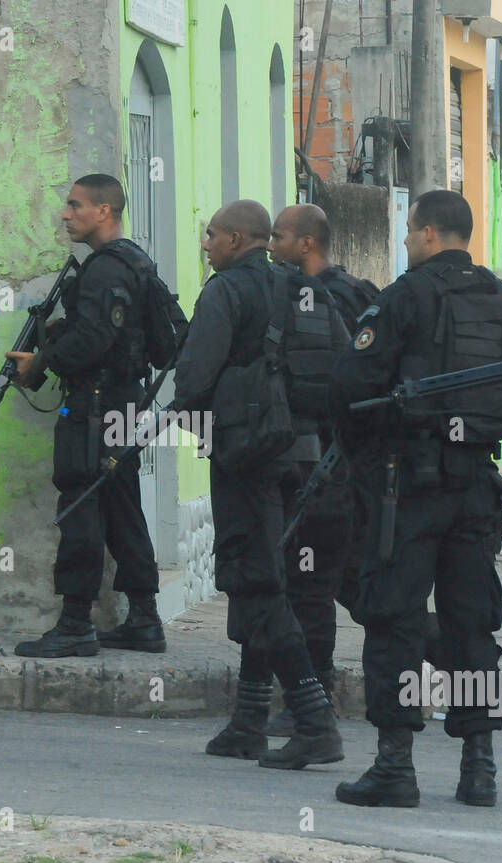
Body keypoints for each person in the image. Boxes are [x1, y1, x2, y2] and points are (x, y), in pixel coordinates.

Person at [330, 190, 502, 809]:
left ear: (426, 233)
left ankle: (395, 767)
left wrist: (367, 461)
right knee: (471, 623)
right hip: (476, 484)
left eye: (407, 232)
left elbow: (351, 388)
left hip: (407, 488)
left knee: (394, 618)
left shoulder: (405, 296)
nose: (405, 242)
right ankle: (480, 768)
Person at [175, 199, 347, 770]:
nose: (206, 245)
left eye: (211, 235)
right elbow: (345, 367)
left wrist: (209, 421)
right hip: (307, 462)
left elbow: (193, 380)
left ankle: (314, 720)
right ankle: (249, 721)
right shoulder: (307, 289)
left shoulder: (224, 291)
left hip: (248, 460)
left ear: (234, 239)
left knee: (254, 580)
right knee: (272, 583)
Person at [6, 174, 163, 657]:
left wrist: (41, 362)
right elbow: (140, 338)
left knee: (81, 505)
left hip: (95, 407)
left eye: (75, 205)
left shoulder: (104, 269)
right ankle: (144, 619)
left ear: (104, 211)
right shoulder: (136, 262)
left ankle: (76, 623)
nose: (65, 214)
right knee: (121, 507)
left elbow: (94, 341)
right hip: (124, 402)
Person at [262, 204, 378, 735]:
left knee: (311, 586)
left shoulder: (317, 298)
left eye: (278, 237)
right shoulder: (360, 293)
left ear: (305, 244)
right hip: (349, 466)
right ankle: (454, 656)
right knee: (352, 587)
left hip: (326, 465)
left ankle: (314, 697)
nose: (271, 247)